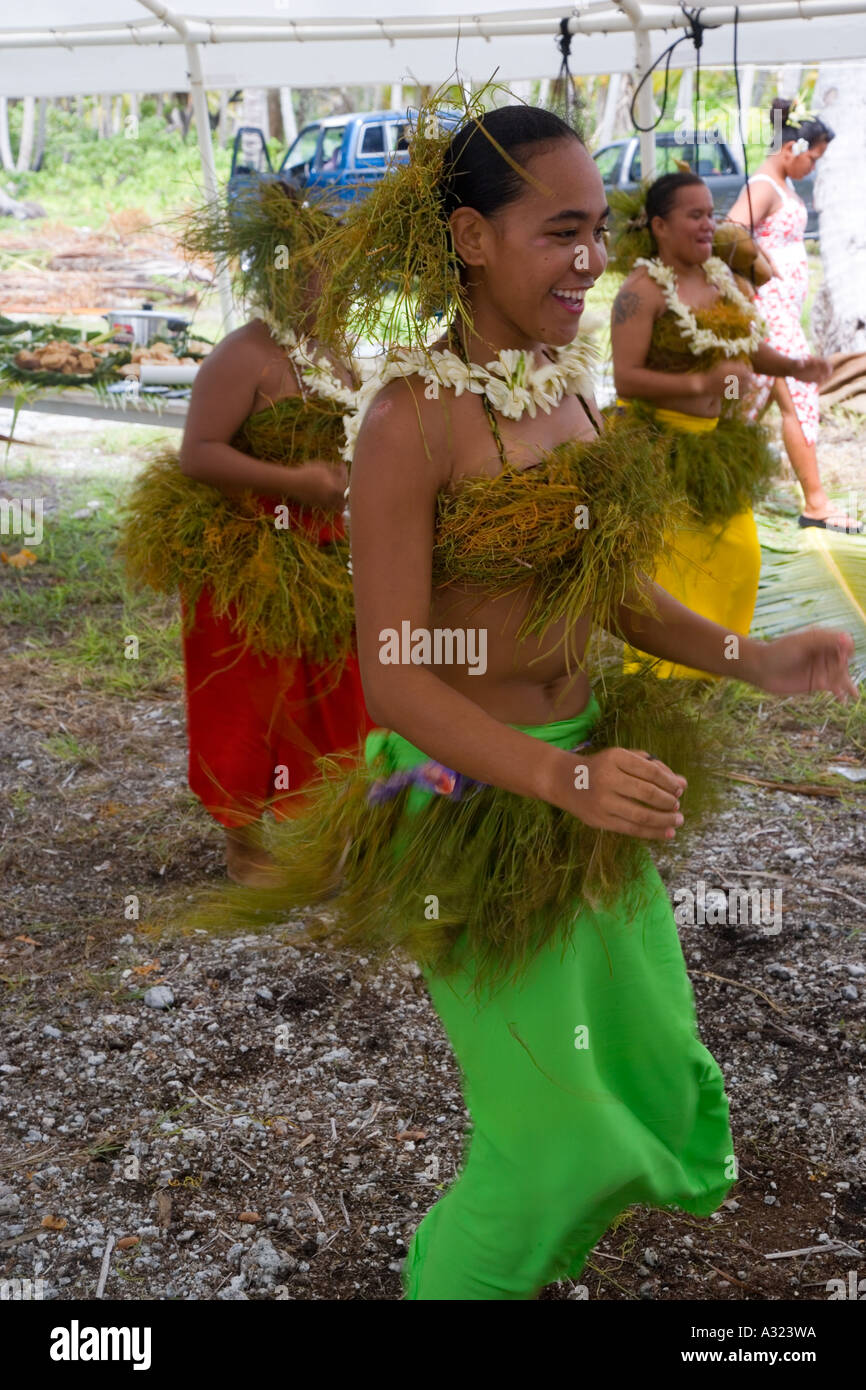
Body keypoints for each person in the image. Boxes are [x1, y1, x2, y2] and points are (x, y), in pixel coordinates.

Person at [195, 103, 856, 1300]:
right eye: (560, 231)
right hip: (465, 794)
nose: (591, 259)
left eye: (599, 230)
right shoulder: (407, 420)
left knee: (647, 1070)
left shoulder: (566, 392)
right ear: (469, 236)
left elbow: (609, 590)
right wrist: (561, 777)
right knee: (545, 1136)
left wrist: (742, 655)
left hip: (590, 782)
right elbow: (394, 670)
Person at [121, 182, 372, 885]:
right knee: (252, 699)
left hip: (322, 550)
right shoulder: (246, 354)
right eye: (316, 268)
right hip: (247, 549)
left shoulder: (335, 350)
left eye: (339, 268)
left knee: (331, 690)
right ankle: (247, 843)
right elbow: (198, 453)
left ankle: (317, 824)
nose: (330, 281)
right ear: (282, 272)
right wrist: (298, 485)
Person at [610, 171, 831, 678]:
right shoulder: (641, 292)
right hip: (659, 447)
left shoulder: (722, 280)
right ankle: (660, 675)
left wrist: (796, 367)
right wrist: (699, 384)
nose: (710, 224)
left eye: (712, 213)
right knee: (670, 568)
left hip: (715, 448)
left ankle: (712, 667)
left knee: (738, 555)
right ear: (661, 225)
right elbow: (626, 378)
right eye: (696, 215)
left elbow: (750, 350)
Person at [727, 98, 858, 533]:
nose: (813, 168)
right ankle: (816, 504)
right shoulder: (764, 185)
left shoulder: (781, 183)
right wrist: (762, 269)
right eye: (813, 159)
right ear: (791, 149)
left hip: (780, 312)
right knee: (797, 398)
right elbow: (729, 233)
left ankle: (719, 488)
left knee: (750, 405)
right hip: (769, 314)